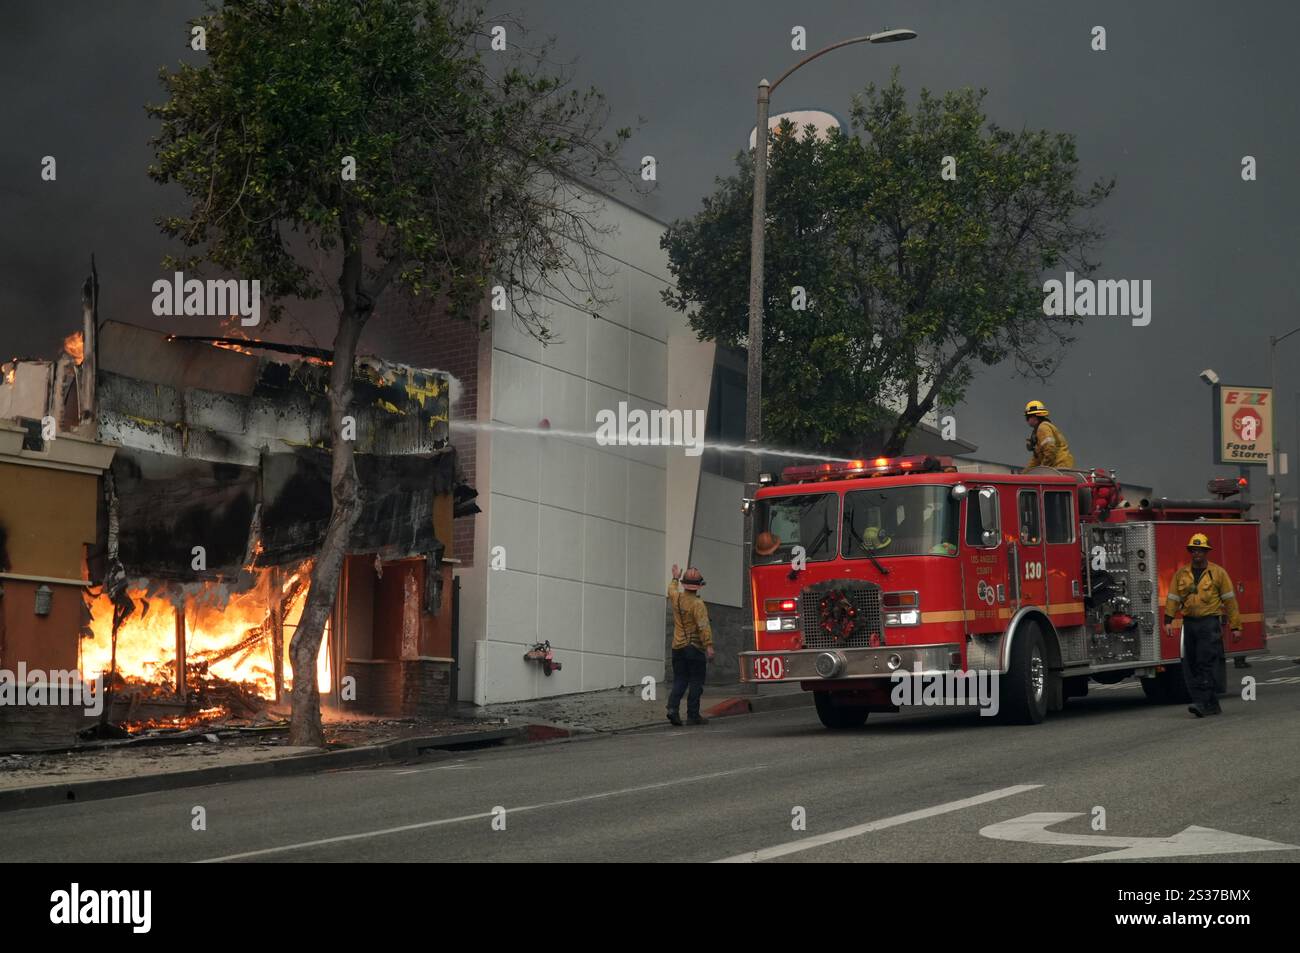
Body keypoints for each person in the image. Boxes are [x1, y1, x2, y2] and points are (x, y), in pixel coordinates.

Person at [1163, 533, 1242, 717]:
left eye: (1200, 550)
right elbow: (1173, 598)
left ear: (1207, 552)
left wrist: (1236, 627)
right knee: (1192, 664)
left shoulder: (1218, 573)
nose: (1197, 553)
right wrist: (1167, 620)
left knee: (1204, 662)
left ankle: (1202, 703)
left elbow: (1230, 601)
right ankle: (1212, 704)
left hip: (1209, 624)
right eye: (1194, 550)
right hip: (1189, 623)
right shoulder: (1181, 574)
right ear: (1190, 552)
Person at [667, 564, 715, 726]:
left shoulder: (677, 598)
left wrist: (675, 577)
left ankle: (672, 709)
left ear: (684, 584)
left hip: (677, 647)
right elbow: (703, 626)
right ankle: (693, 715)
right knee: (696, 682)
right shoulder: (697, 604)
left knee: (680, 680)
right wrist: (708, 646)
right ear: (699, 586)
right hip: (694, 648)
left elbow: (671, 590)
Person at [1024, 400, 1075, 469]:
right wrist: (1024, 474)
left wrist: (1042, 469)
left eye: (1027, 417)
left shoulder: (1043, 428)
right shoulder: (1041, 430)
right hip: (1060, 466)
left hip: (1059, 467)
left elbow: (1050, 451)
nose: (1026, 420)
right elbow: (1036, 460)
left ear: (1034, 417)